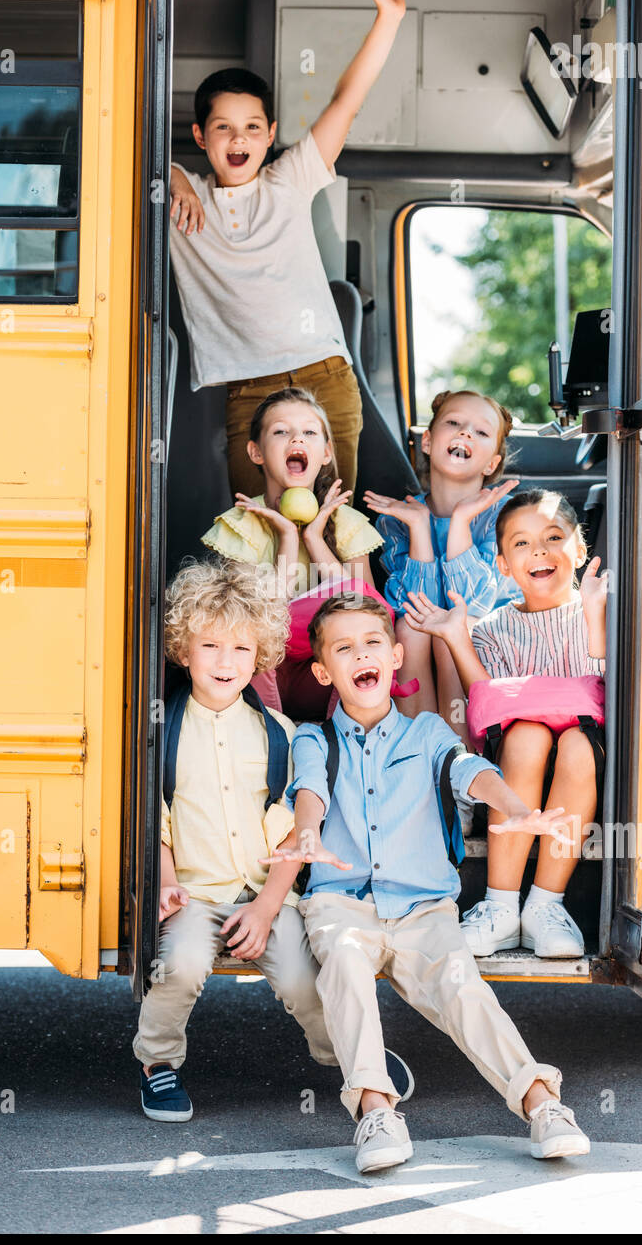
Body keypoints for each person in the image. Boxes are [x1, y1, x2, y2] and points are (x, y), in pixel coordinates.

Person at [268, 592, 591, 1172]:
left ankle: (542, 1103)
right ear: (323, 672)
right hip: (342, 903)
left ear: (395, 658)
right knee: (343, 964)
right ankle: (376, 1110)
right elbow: (310, 788)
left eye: (372, 643)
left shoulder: (430, 734)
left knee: (464, 986)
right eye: (343, 648)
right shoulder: (313, 739)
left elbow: (473, 772)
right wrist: (308, 831)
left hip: (423, 909)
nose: (360, 654)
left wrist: (514, 808)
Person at [134, 559, 413, 1120]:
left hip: (267, 894)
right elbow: (156, 818)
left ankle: (353, 1057)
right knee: (179, 967)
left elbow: (293, 834)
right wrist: (166, 884)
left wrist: (265, 909)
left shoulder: (279, 737)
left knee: (305, 980)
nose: (225, 662)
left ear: (259, 655)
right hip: (195, 893)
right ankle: (158, 1063)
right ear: (183, 650)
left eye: (241, 650)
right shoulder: (160, 732)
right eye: (209, 646)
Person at [167, 0, 412, 499]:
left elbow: (345, 101)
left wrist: (389, 19)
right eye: (223, 128)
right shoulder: (179, 201)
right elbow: (115, 151)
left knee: (332, 534)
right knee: (254, 544)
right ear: (201, 136)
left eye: (252, 127)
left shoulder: (289, 181)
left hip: (323, 377)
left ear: (270, 133)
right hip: (247, 392)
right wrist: (173, 172)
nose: (239, 140)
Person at [403, 488, 608, 959]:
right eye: (521, 543)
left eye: (554, 537)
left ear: (580, 550)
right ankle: (499, 905)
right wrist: (459, 638)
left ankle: (545, 907)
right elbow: (489, 700)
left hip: (586, 747)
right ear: (502, 566)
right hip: (517, 750)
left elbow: (608, 684)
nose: (539, 551)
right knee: (527, 734)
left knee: (575, 744)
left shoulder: (599, 610)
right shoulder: (495, 626)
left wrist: (596, 615)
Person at [201, 388, 402, 720]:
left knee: (359, 633)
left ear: (325, 453)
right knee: (245, 632)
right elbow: (246, 623)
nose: (297, 438)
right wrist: (288, 540)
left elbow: (367, 612)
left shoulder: (346, 522)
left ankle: (348, 739)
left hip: (325, 675)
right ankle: (271, 739)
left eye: (309, 432)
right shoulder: (240, 525)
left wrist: (314, 539)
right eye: (281, 431)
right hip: (262, 672)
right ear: (256, 452)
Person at [364, 389, 520, 735]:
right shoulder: (397, 519)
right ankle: (416, 753)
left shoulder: (503, 515)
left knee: (453, 630)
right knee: (408, 630)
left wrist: (462, 522)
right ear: (429, 442)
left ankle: (461, 758)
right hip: (429, 626)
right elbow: (412, 605)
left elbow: (472, 602)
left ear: (491, 464)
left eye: (480, 432)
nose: (465, 432)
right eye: (454, 423)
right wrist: (419, 526)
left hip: (494, 634)